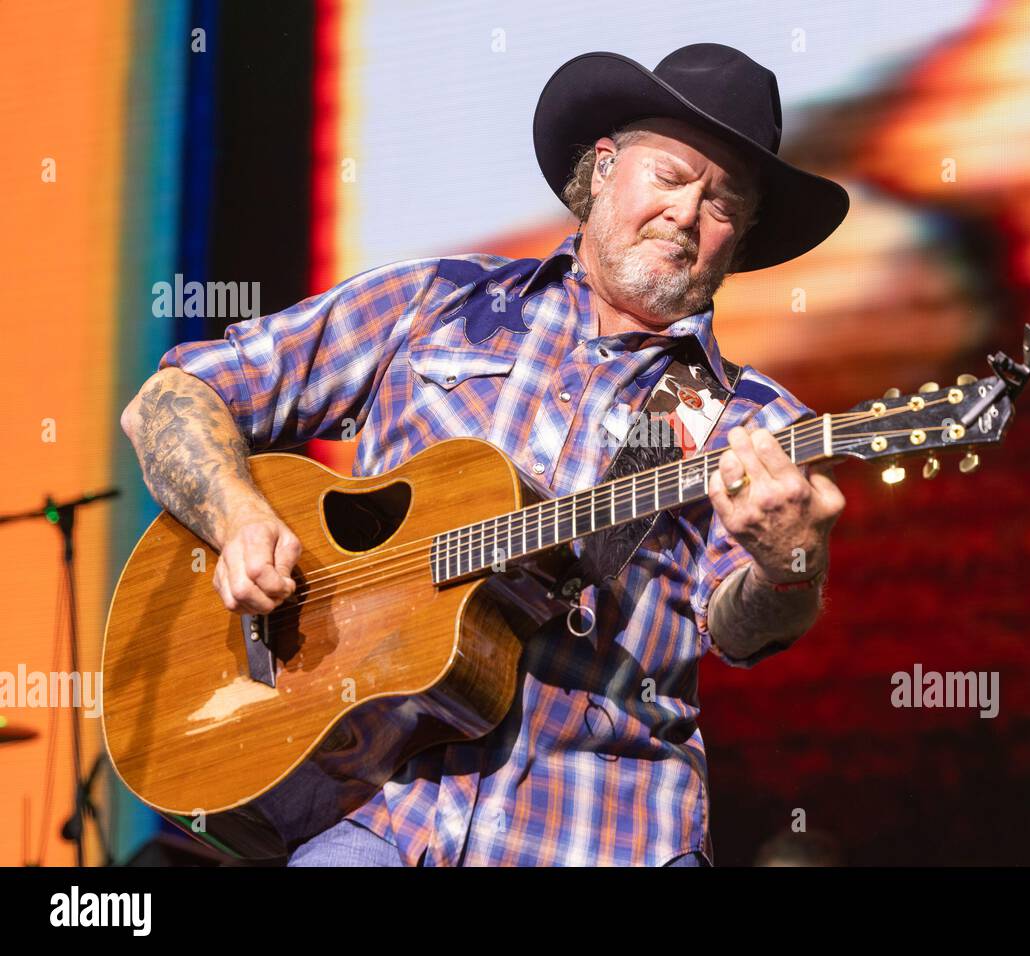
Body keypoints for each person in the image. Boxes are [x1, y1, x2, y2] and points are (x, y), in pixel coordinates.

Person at [120, 42, 850, 867]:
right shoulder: (438, 303)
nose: (688, 215)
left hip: (603, 830)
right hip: (372, 814)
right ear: (603, 168)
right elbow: (173, 398)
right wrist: (239, 514)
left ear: (740, 239)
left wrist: (787, 563)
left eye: (723, 203)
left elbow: (742, 630)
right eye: (673, 177)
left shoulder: (750, 424)